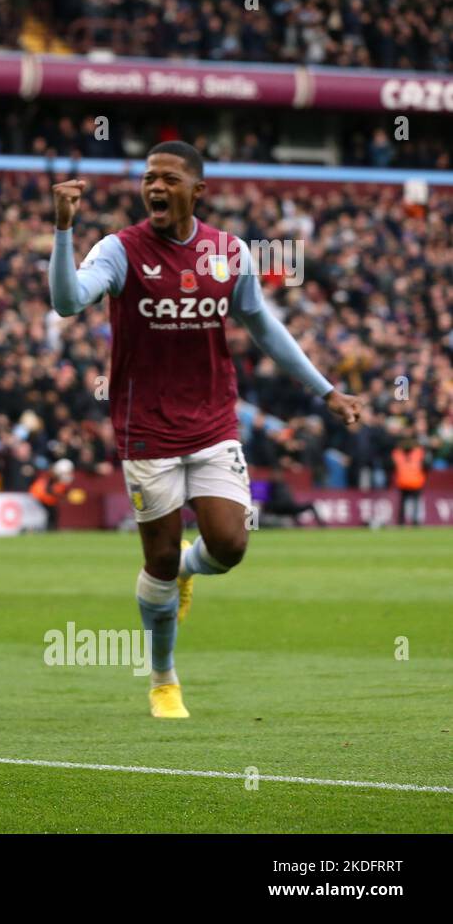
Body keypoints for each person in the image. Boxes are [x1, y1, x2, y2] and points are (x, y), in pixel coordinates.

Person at [49, 140, 363, 719]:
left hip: (215, 423)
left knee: (230, 545)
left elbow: (263, 327)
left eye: (169, 178)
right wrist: (63, 231)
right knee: (160, 561)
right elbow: (67, 301)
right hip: (146, 430)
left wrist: (326, 391)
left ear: (198, 190)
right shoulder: (119, 250)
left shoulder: (229, 252)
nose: (155, 187)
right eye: (148, 178)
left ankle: (195, 570)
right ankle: (164, 679)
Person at [30, 458, 75, 531]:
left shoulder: (53, 475)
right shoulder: (51, 476)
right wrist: (63, 496)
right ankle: (48, 529)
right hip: (40, 496)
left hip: (44, 497)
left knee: (52, 514)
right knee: (49, 514)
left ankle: (51, 529)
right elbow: (49, 490)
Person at [392, 438, 426, 526]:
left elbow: (391, 465)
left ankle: (401, 521)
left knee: (403, 502)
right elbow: (426, 465)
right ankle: (415, 521)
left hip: (403, 481)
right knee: (416, 502)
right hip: (416, 481)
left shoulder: (397, 453)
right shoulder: (419, 452)